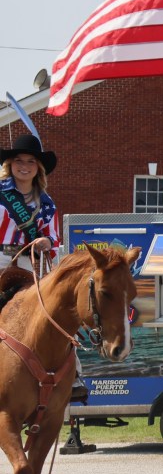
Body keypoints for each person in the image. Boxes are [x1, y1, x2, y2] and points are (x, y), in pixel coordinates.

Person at [0, 134, 86, 401]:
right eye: (19, 161)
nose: (24, 166)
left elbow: (54, 239)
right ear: (10, 165)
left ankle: (74, 375)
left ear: (38, 168)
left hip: (31, 261)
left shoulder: (47, 203)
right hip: (0, 257)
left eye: (30, 162)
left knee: (56, 312)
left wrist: (46, 241)